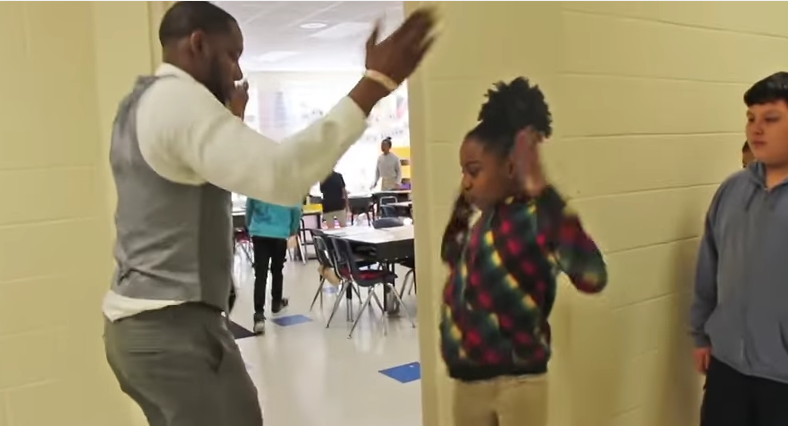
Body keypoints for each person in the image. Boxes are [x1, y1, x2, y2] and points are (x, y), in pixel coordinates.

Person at [100, 2, 437, 425]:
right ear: (198, 44)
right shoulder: (175, 100)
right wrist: (374, 85)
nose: (238, 71)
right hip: (170, 328)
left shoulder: (141, 101)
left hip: (146, 327)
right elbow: (282, 175)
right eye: (231, 54)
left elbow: (205, 167)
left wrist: (234, 117)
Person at [439, 77, 608, 426]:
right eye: (463, 172)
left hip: (516, 382)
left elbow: (592, 276)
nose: (466, 180)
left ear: (512, 167)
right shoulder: (483, 218)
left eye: (474, 171)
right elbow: (449, 252)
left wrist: (542, 189)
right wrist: (464, 200)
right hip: (468, 379)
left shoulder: (537, 216)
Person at [691, 72, 788, 426]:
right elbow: (709, 266)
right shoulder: (732, 190)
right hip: (727, 370)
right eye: (751, 119)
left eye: (771, 119)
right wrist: (701, 334)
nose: (756, 129)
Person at [245, 198, 301, 334]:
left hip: (259, 232)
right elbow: (296, 209)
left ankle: (259, 315)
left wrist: (249, 226)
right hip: (280, 234)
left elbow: (249, 208)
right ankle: (276, 303)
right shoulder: (289, 186)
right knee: (277, 270)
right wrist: (293, 229)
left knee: (260, 274)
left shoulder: (257, 184)